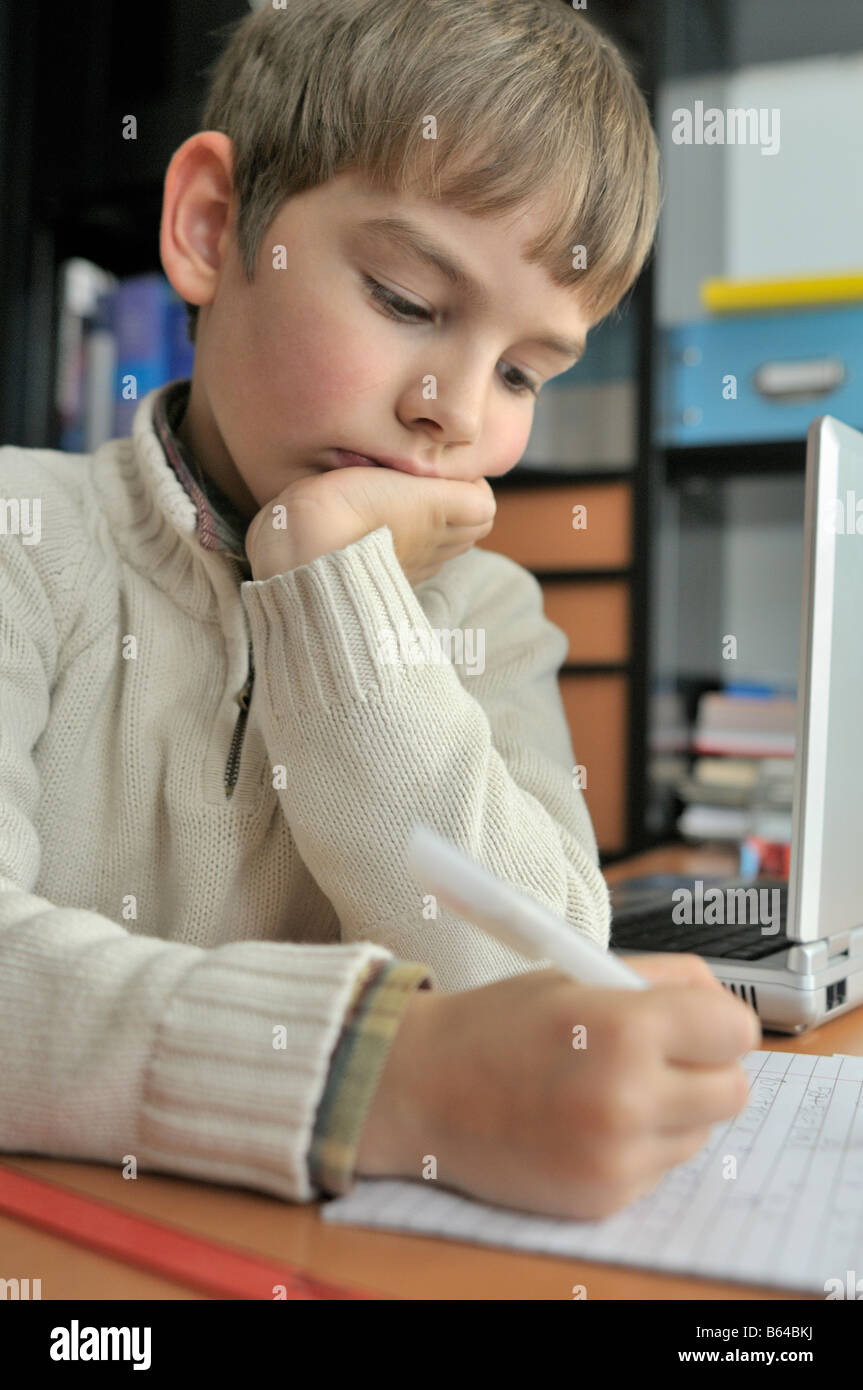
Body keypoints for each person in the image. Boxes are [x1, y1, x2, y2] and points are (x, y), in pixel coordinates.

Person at [0, 0, 759, 1222]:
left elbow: (534, 984)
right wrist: (376, 1079)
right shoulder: (20, 542)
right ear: (208, 228)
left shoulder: (488, 613)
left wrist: (331, 582)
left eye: (522, 372)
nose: (456, 408)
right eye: (407, 299)